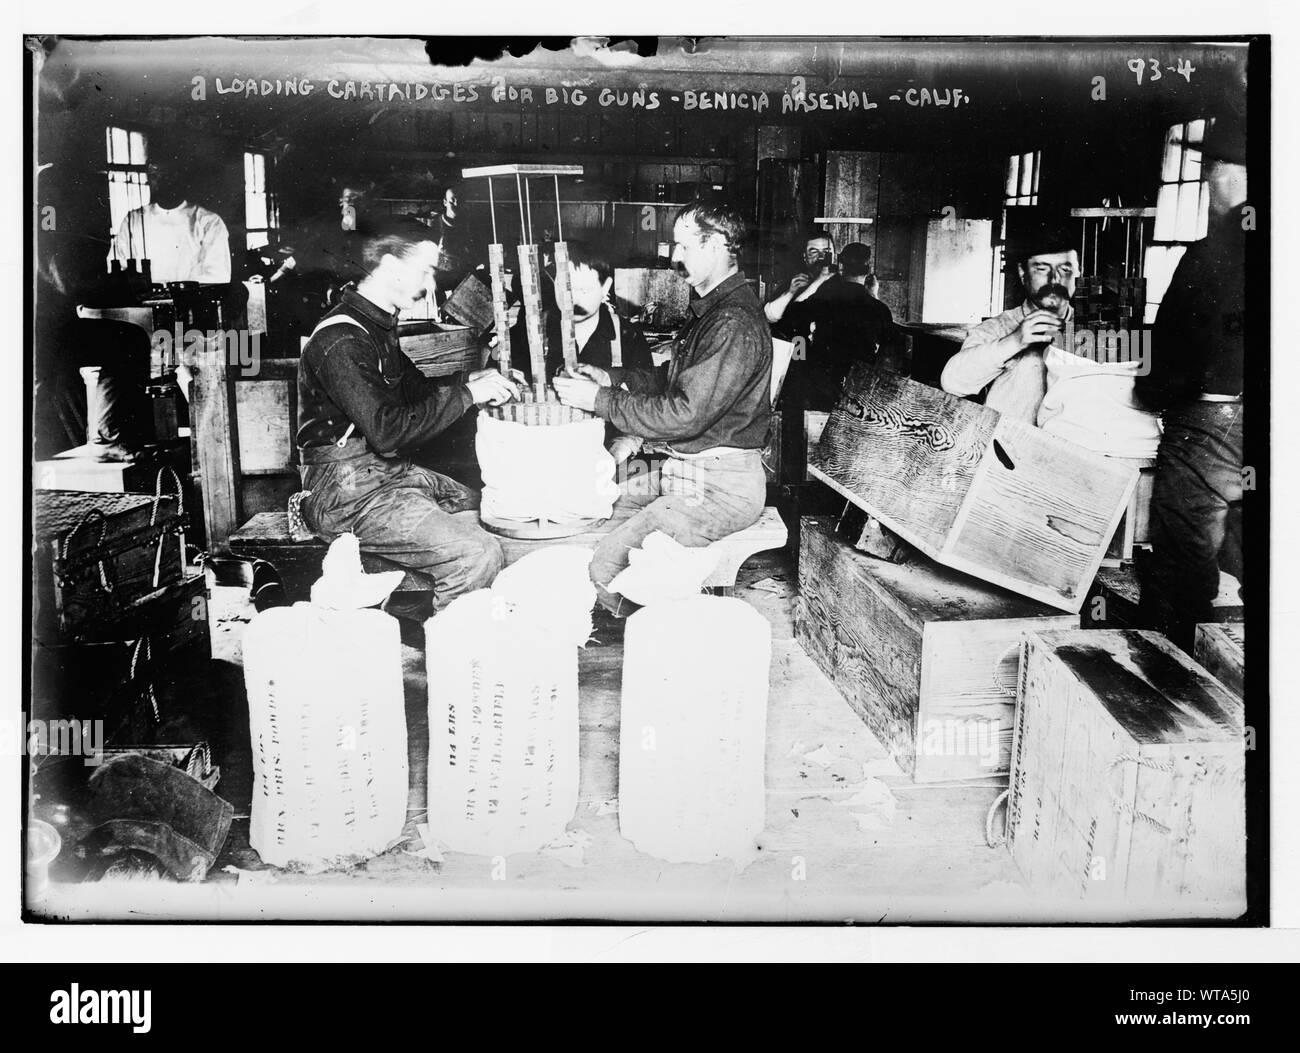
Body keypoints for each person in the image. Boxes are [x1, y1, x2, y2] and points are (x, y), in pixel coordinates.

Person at [553, 200, 772, 616]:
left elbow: (684, 414)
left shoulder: (732, 322)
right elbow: (674, 382)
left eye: (685, 247)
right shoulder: (710, 313)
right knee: (593, 504)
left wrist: (599, 401)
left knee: (606, 565)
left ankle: (663, 651)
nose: (675, 257)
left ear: (718, 245)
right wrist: (611, 378)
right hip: (686, 474)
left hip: (719, 489)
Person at [294, 217, 521, 612]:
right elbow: (387, 431)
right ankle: (453, 655)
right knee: (476, 553)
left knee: (485, 508)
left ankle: (412, 614)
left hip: (382, 475)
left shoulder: (374, 325)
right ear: (390, 267)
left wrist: (474, 377)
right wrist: (468, 394)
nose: (431, 283)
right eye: (425, 270)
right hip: (347, 493)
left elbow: (417, 390)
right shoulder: (341, 338)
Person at [1135, 116, 1248, 652]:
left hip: (1210, 422)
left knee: (1184, 553)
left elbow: (1174, 345)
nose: (1207, 183)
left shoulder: (1214, 252)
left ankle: (1173, 681)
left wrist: (1151, 393)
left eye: (1212, 171)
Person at [940, 208, 1161, 460]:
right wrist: (1014, 341)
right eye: (1042, 269)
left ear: (1078, 273)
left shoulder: (1098, 328)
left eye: (1065, 269)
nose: (1055, 279)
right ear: (1023, 273)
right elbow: (952, 383)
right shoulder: (1000, 327)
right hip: (1011, 461)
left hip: (1073, 462)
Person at [509, 238, 653, 383]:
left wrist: (609, 377)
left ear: (605, 287)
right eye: (566, 288)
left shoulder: (629, 337)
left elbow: (648, 389)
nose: (574, 300)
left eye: (584, 290)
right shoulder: (528, 332)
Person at [108, 147, 231, 285]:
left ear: (180, 178)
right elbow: (117, 263)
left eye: (168, 175)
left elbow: (217, 274)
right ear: (148, 179)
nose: (161, 182)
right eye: (154, 176)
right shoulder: (134, 219)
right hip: (144, 303)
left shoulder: (208, 221)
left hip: (191, 300)